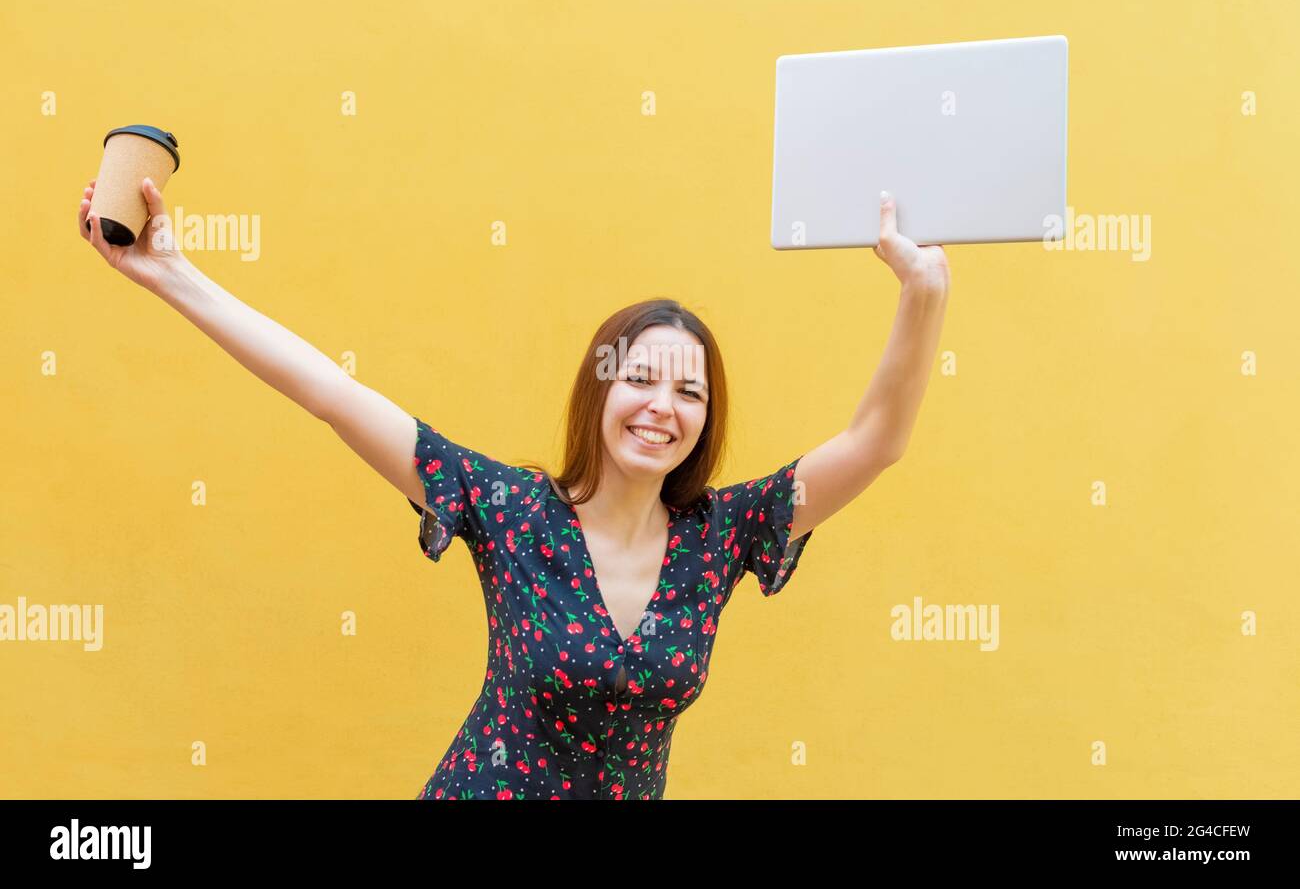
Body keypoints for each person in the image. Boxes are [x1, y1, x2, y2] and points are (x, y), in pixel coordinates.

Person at [79, 180, 950, 799]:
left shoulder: (721, 535)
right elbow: (329, 393)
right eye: (642, 379)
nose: (662, 407)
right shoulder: (510, 510)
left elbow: (876, 442)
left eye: (689, 391)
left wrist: (922, 292)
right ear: (599, 390)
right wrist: (172, 276)